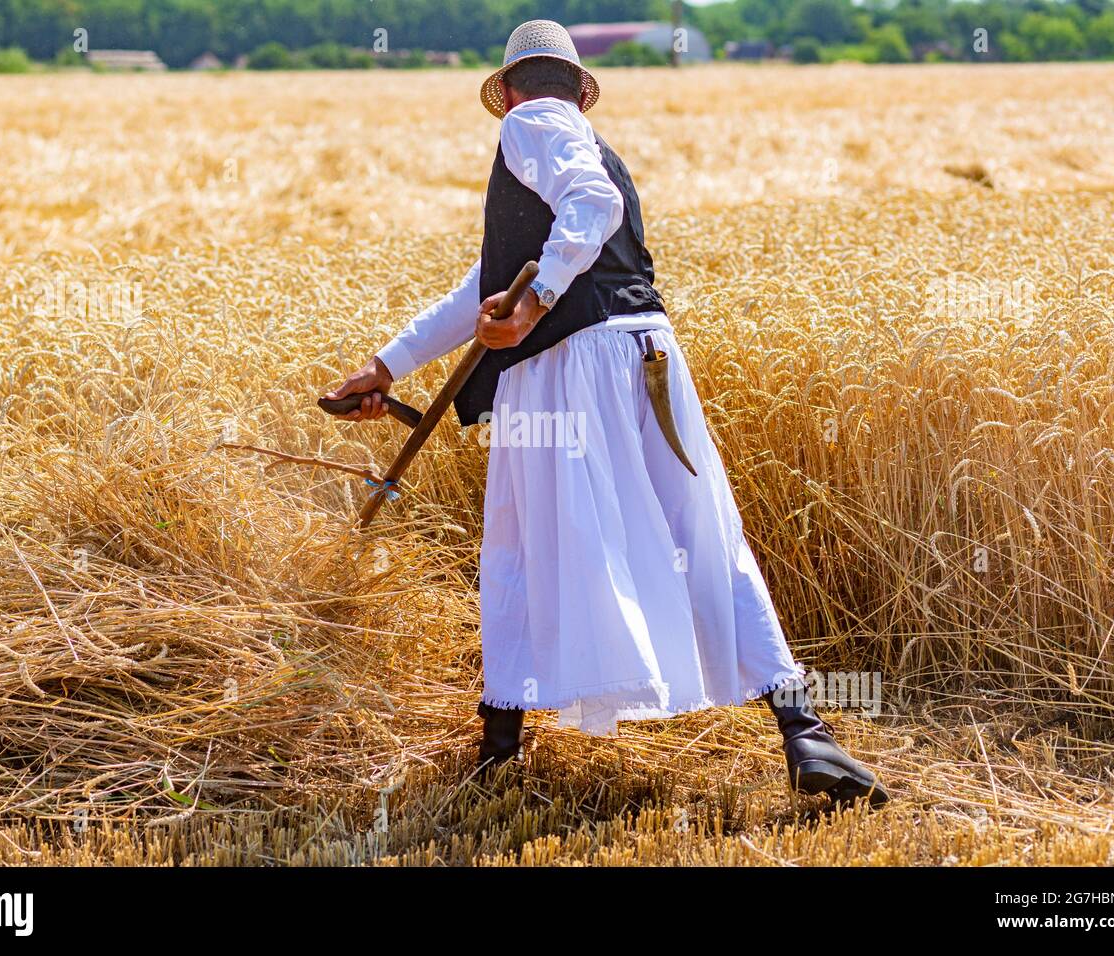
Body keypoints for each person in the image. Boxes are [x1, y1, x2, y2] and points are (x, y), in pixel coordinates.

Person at [326, 19, 888, 807]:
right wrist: (387, 366)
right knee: (702, 534)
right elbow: (482, 285)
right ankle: (807, 735)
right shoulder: (583, 142)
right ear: (581, 88)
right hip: (645, 354)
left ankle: (498, 753)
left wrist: (532, 309)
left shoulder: (533, 125)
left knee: (523, 543)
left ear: (513, 92)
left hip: (569, 366)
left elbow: (582, 211)